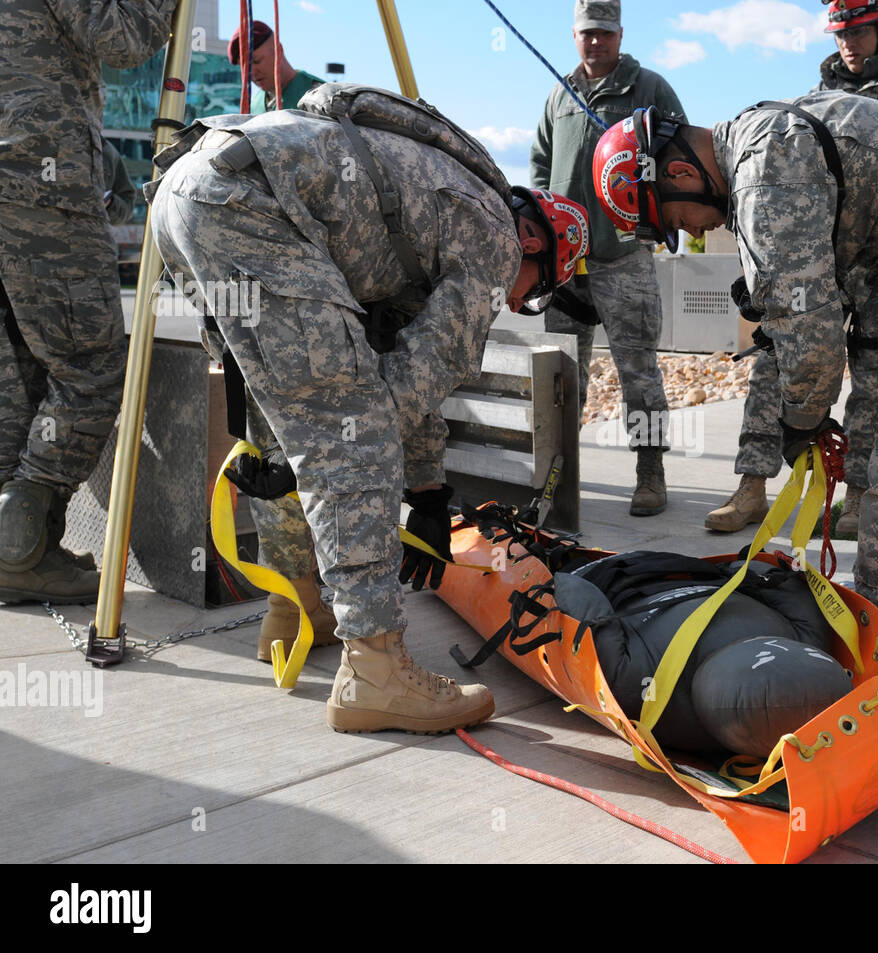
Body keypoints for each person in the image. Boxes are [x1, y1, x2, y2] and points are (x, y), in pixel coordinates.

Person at [148, 99, 590, 733]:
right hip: (251, 206)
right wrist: (390, 473)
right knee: (351, 431)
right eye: (535, 288)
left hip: (188, 192)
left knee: (287, 427)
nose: (518, 302)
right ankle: (377, 671)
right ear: (532, 241)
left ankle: (296, 607)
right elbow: (401, 396)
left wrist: (431, 489)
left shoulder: (435, 209)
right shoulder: (493, 241)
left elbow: (405, 361)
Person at [591, 93, 878, 642]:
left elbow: (810, 334)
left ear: (683, 172)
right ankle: (872, 650)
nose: (689, 231)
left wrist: (801, 420)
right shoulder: (760, 141)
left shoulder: (764, 175)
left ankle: (874, 667)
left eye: (674, 217)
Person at [708, 0, 878, 536]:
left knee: (877, 378)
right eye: (841, 34)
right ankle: (751, 486)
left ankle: (860, 497)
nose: (848, 43)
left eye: (860, 32)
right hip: (820, 255)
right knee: (773, 357)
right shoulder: (818, 96)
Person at [0, 0, 179, 605]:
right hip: (34, 182)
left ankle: (20, 552)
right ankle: (21, 529)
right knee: (94, 366)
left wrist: (97, 157)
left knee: (18, 375)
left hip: (24, 172)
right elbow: (124, 35)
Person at [530, 0, 685, 516]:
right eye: (586, 34)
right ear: (574, 36)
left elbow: (682, 155)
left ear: (620, 35)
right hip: (565, 264)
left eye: (604, 33)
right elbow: (539, 162)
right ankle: (558, 474)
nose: (594, 42)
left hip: (624, 259)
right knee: (559, 378)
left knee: (638, 374)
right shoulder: (560, 93)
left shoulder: (650, 89)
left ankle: (651, 473)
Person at [224, 21, 335, 663]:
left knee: (285, 453)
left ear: (277, 47)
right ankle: (293, 605)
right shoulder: (254, 115)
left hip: (290, 296)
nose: (254, 66)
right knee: (283, 456)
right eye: (243, 59)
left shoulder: (313, 100)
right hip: (284, 303)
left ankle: (290, 609)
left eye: (257, 53)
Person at [227, 19, 325, 114]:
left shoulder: (320, 96)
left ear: (278, 50)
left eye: (257, 61)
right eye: (245, 68)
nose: (252, 72)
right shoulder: (254, 106)